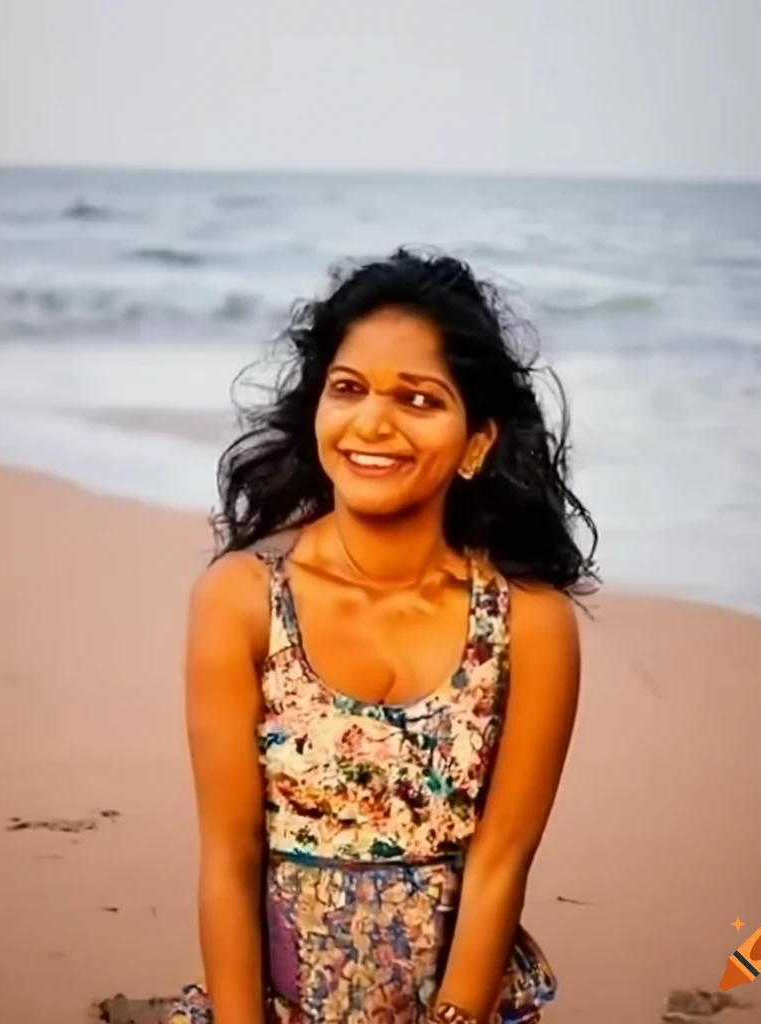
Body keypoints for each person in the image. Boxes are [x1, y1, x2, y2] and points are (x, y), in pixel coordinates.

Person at [170, 248, 598, 1024]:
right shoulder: (242, 601)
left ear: (476, 442)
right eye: (348, 388)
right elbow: (229, 862)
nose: (373, 422)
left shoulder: (529, 622)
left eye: (420, 399)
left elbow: (502, 862)